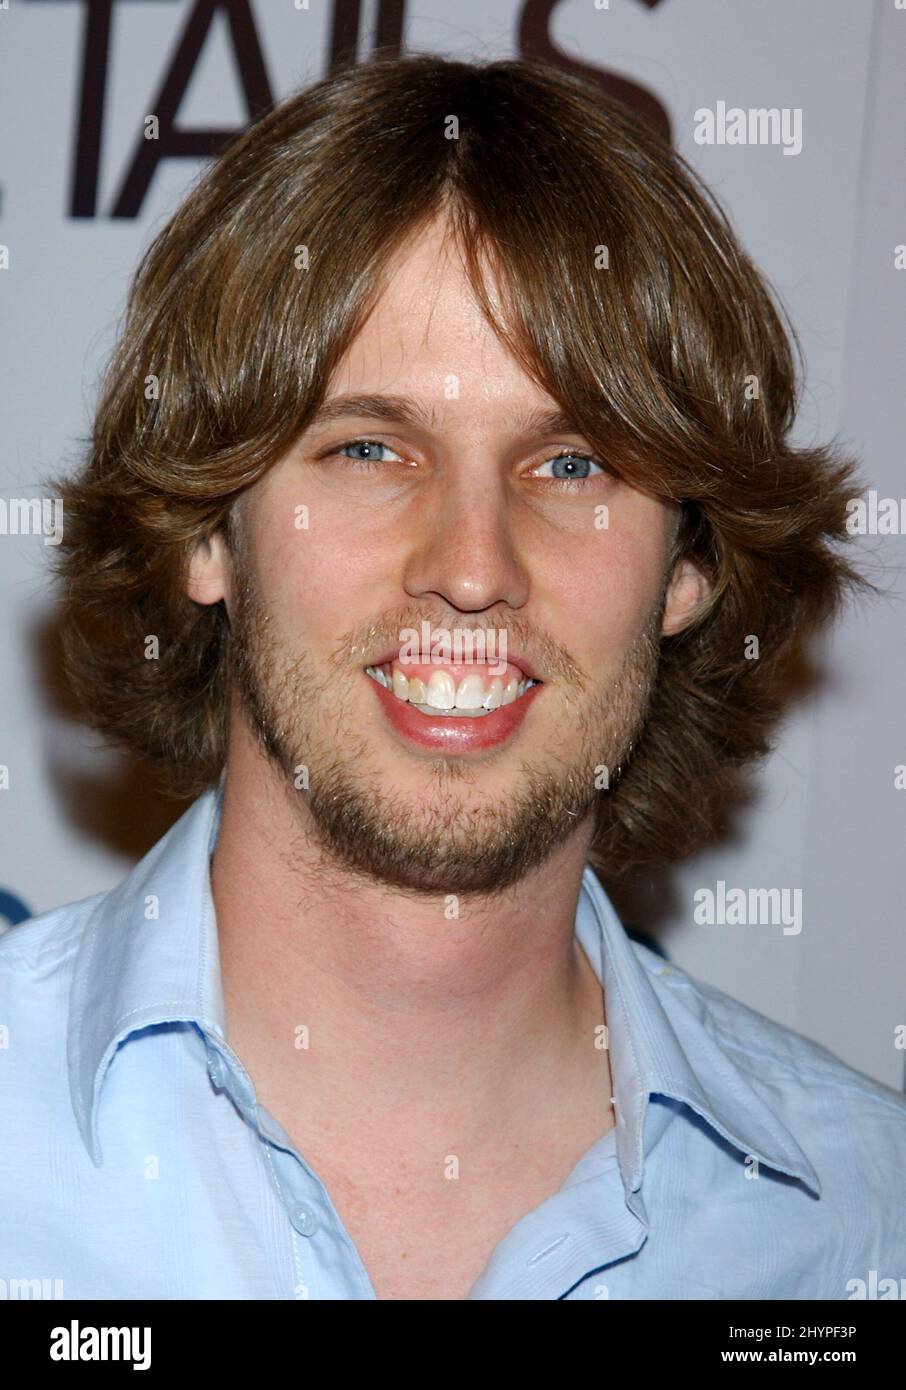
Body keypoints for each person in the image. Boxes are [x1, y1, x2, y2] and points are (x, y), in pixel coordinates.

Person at [4, 53, 904, 1302]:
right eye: (372, 448)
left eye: (575, 464)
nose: (473, 568)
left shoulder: (866, 1223)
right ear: (207, 534)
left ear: (688, 567)